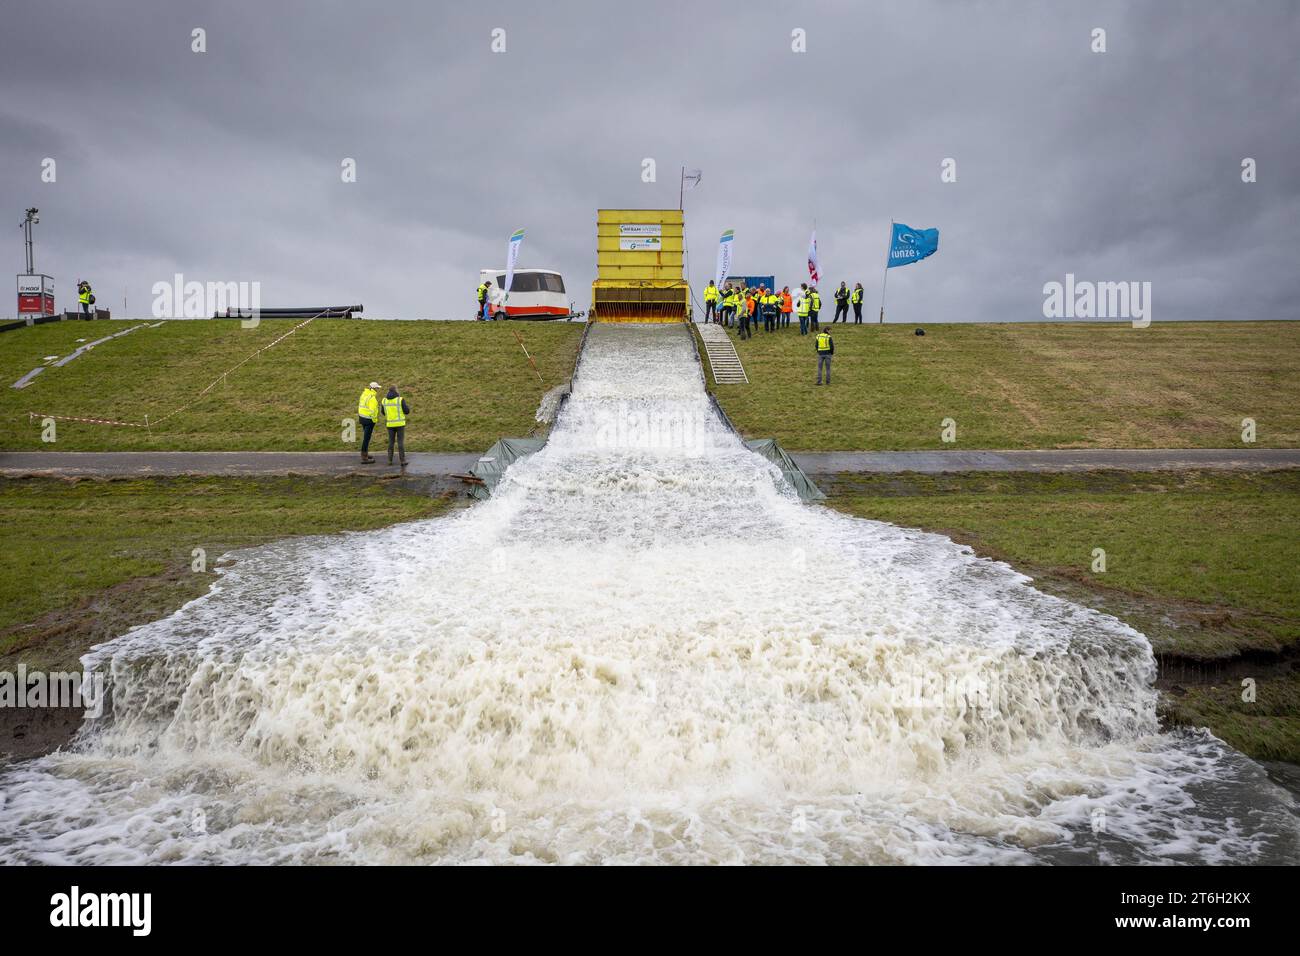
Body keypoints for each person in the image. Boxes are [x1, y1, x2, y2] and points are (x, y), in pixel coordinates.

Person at [381, 385, 411, 466]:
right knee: (400, 442)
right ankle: (402, 461)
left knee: (391, 442)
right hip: (400, 424)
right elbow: (407, 411)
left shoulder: (384, 401)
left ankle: (389, 461)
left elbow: (383, 413)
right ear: (396, 391)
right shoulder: (400, 400)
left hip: (390, 424)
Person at [357, 381, 380, 463]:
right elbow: (373, 411)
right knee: (366, 438)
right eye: (377, 388)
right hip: (369, 420)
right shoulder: (372, 399)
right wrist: (374, 420)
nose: (378, 389)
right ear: (374, 389)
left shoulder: (364, 394)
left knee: (366, 437)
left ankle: (365, 453)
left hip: (362, 418)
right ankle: (364, 457)